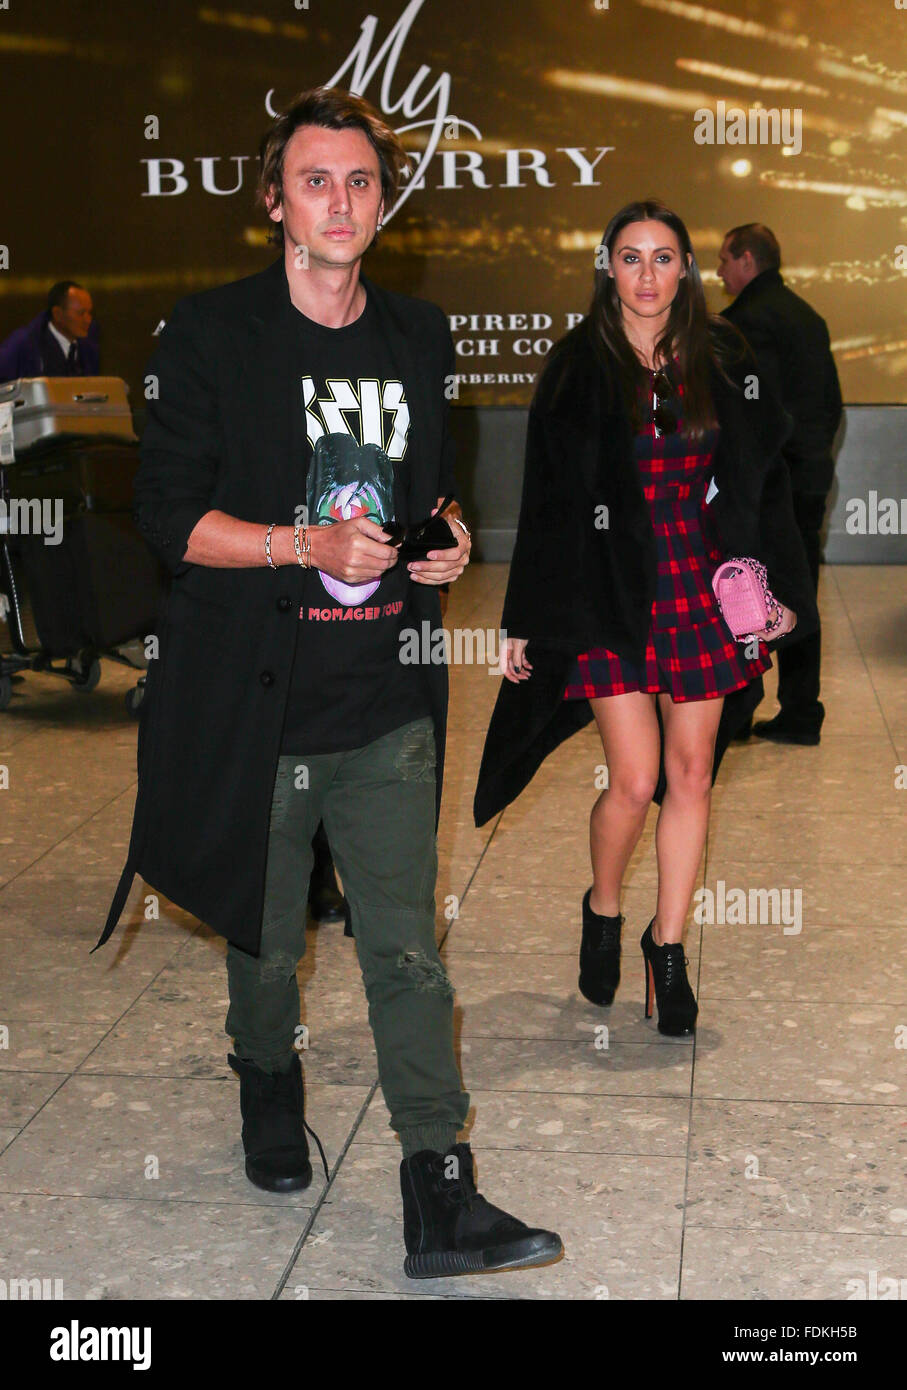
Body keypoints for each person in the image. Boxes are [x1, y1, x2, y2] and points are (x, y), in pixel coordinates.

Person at [95, 86, 561, 1280]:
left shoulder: (418, 335)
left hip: (384, 700)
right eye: (315, 180)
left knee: (406, 950)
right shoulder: (209, 337)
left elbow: (422, 500)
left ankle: (438, 1191)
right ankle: (266, 1081)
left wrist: (442, 540)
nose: (341, 201)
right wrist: (303, 543)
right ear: (273, 201)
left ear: (382, 199)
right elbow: (167, 519)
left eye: (360, 181)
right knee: (264, 945)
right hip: (256, 703)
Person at [474, 199, 817, 1035]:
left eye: (663, 258)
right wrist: (523, 619)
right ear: (607, 269)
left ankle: (666, 950)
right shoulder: (577, 365)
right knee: (632, 780)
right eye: (630, 258)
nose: (647, 275)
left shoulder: (721, 356)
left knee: (690, 774)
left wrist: (770, 584)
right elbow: (548, 500)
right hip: (609, 590)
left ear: (686, 270)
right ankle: (602, 905)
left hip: (700, 590)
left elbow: (760, 476)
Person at [718, 223, 842, 745]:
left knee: (743, 590)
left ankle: (738, 708)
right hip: (811, 475)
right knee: (798, 592)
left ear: (747, 260)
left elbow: (749, 418)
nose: (719, 271)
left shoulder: (742, 325)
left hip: (768, 486)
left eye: (724, 260)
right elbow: (830, 405)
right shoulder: (808, 317)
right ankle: (801, 709)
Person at [0, 281, 99, 381]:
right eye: (81, 313)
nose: (88, 320)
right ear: (57, 314)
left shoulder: (88, 346)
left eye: (89, 313)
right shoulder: (24, 343)